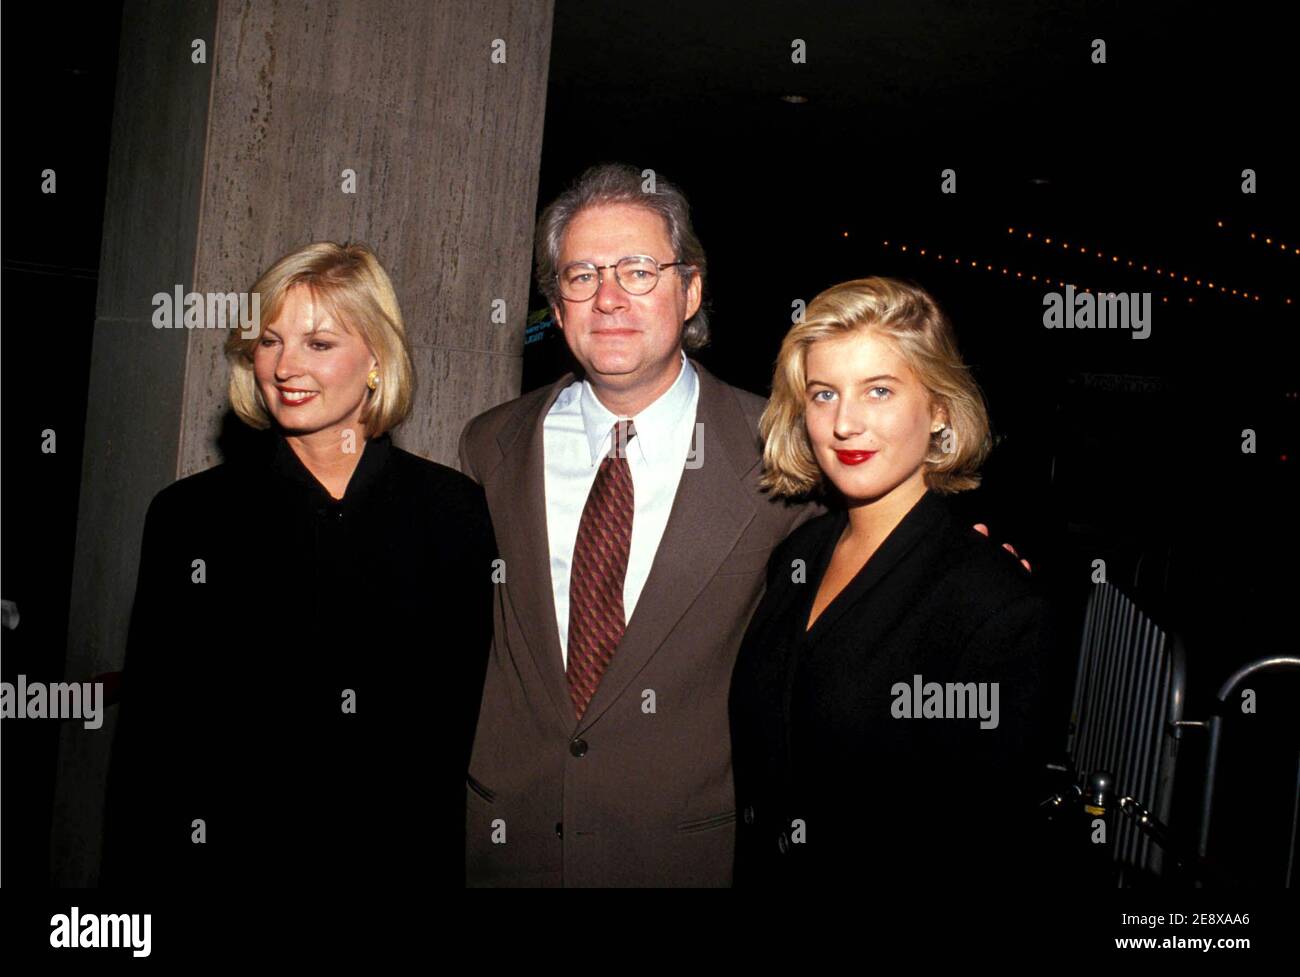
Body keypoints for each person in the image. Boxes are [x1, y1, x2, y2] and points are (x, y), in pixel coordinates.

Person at [458, 166, 1022, 886]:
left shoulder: (788, 452)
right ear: (557, 306)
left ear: (690, 290)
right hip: (507, 849)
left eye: (637, 270)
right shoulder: (488, 445)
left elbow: (889, 544)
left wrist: (965, 567)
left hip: (688, 857)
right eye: (581, 275)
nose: (608, 298)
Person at [102, 242, 496, 887]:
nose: (285, 367)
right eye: (268, 342)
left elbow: (468, 727)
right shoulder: (190, 518)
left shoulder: (457, 515)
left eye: (318, 344)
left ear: (376, 357)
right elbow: (151, 744)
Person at [729, 277, 1053, 887]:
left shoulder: (993, 600)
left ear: (937, 409)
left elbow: (990, 845)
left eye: (878, 390)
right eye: (824, 394)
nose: (845, 423)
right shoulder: (798, 554)